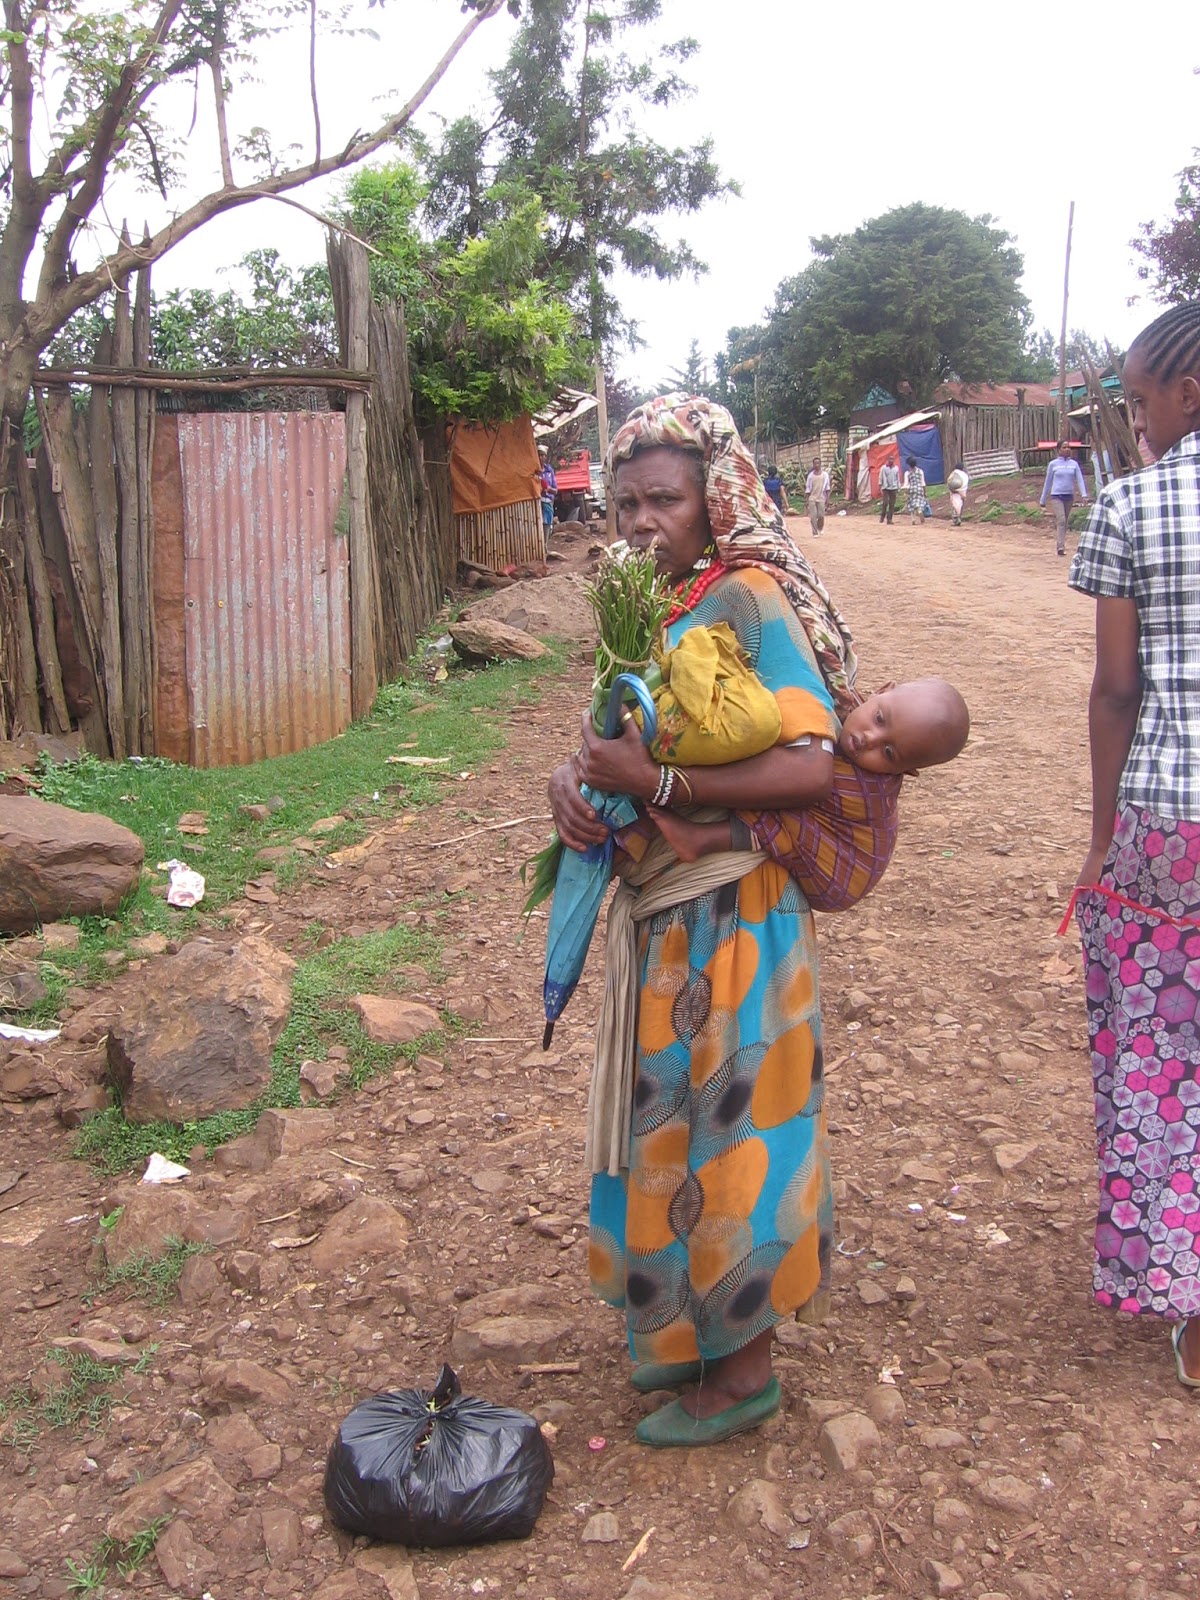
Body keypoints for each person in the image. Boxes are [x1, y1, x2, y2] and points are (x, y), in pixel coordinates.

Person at [547, 396, 847, 1448]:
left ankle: (745, 1374)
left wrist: (658, 776)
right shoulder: (656, 606)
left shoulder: (750, 597)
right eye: (625, 501)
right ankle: (683, 1340)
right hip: (665, 918)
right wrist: (574, 787)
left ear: (713, 499)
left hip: (737, 915)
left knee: (736, 1132)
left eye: (663, 499)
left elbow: (815, 764)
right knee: (669, 1126)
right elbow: (610, 738)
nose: (639, 520)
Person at [1066, 301, 1200, 1388]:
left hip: (1169, 822)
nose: (1136, 417)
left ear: (1187, 395)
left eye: (1142, 397)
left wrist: (1102, 837)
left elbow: (1117, 688)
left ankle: (1190, 1303)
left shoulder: (1132, 506)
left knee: (1165, 1058)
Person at [650, 677, 969, 913]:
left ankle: (702, 839)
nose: (869, 738)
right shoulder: (840, 695)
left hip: (842, 869)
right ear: (882, 689)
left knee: (786, 799)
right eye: (879, 719)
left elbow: (780, 782)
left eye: (888, 751)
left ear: (905, 771)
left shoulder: (862, 789)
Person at [1039, 440, 1088, 556]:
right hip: (1057, 496)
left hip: (1069, 497)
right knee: (1061, 520)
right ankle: (1060, 546)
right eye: (1064, 447)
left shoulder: (1074, 464)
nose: (1067, 449)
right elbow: (1048, 482)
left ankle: (1061, 542)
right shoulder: (1053, 464)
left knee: (1064, 521)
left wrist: (1084, 495)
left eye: (1068, 447)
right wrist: (1043, 500)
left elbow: (1080, 480)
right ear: (1058, 450)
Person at [805, 455, 830, 536]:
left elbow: (827, 488)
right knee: (813, 516)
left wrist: (828, 499)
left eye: (818, 463)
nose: (816, 465)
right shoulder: (810, 476)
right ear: (813, 464)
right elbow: (808, 488)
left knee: (821, 515)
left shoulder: (825, 475)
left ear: (820, 464)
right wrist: (806, 500)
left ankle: (820, 527)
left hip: (821, 498)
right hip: (812, 498)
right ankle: (814, 532)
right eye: (815, 463)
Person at [536, 445, 557, 537]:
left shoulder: (549, 471)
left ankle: (545, 545)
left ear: (545, 457)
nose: (540, 457)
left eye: (542, 455)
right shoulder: (534, 471)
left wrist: (548, 489)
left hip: (548, 501)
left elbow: (555, 490)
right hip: (537, 502)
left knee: (547, 523)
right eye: (538, 455)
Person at [903, 456, 928, 525]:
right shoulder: (920, 471)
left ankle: (913, 519)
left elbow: (906, 484)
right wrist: (925, 492)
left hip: (912, 489)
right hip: (919, 489)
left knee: (911, 504)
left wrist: (905, 492)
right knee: (919, 502)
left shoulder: (907, 473)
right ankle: (919, 510)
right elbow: (923, 482)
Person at [878, 454, 901, 525]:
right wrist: (880, 486)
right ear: (887, 460)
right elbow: (880, 477)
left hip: (893, 488)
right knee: (885, 503)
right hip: (885, 487)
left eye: (892, 459)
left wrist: (898, 487)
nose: (891, 461)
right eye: (890, 459)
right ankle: (882, 515)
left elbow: (897, 478)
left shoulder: (896, 468)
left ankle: (889, 519)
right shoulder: (883, 468)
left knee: (892, 504)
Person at [946, 462, 970, 526]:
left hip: (955, 492)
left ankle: (956, 520)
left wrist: (954, 489)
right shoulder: (965, 475)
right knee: (960, 505)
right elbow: (966, 484)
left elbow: (950, 481)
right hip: (963, 492)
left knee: (955, 505)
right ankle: (959, 518)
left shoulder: (954, 473)